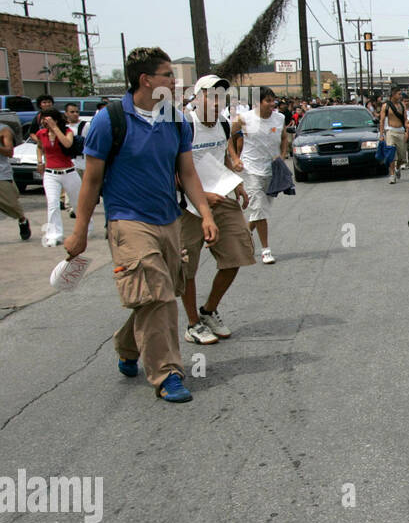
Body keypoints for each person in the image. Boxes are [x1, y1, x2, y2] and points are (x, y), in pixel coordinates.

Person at [66, 45, 218, 404]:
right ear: (147, 80)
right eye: (168, 75)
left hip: (169, 220)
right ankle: (168, 374)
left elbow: (187, 172)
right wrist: (79, 230)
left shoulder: (177, 120)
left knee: (158, 295)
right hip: (127, 222)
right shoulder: (109, 120)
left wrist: (205, 213)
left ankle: (127, 345)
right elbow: (91, 181)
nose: (175, 81)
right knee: (157, 295)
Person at [179, 75, 256, 345]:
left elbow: (221, 158)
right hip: (187, 206)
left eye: (220, 97)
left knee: (238, 253)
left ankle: (209, 310)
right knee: (186, 268)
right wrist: (201, 195)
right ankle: (192, 324)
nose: (215, 101)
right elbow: (169, 169)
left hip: (220, 197)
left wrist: (237, 185)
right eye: (210, 95)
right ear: (196, 97)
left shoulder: (223, 124)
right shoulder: (184, 124)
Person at [231, 87, 292, 264]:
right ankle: (266, 250)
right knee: (258, 207)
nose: (272, 104)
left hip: (271, 170)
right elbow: (230, 138)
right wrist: (235, 158)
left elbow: (283, 137)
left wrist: (282, 155)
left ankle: (245, 233)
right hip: (250, 169)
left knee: (261, 209)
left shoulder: (279, 118)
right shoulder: (244, 119)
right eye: (268, 101)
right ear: (258, 102)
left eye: (273, 100)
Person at [33, 108, 82, 247]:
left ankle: (84, 228)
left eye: (48, 119)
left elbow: (67, 143)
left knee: (77, 203)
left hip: (69, 172)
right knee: (53, 204)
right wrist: (40, 161)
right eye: (43, 119)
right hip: (51, 174)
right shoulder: (41, 134)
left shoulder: (67, 132)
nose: (45, 122)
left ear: (55, 120)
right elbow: (39, 147)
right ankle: (54, 234)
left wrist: (55, 128)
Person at [0, 121, 32, 240]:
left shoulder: (4, 130)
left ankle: (22, 220)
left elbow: (9, 152)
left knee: (12, 205)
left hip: (1, 174)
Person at [379, 87, 409, 183]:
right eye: (398, 94)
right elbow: (381, 121)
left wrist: (407, 132)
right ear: (393, 94)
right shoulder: (386, 106)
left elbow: (406, 120)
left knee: (402, 156)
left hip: (401, 132)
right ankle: (392, 174)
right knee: (391, 154)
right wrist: (381, 135)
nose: (400, 96)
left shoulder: (402, 105)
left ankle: (398, 168)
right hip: (390, 131)